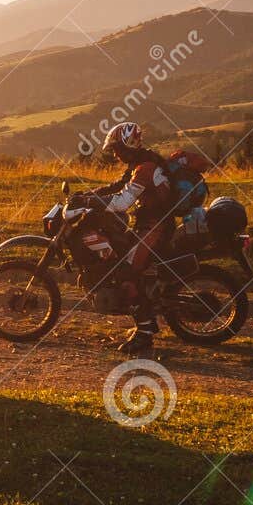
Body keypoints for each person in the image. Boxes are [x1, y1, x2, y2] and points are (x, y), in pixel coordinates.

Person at [86, 121, 175, 356]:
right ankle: (148, 318)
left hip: (156, 226)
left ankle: (144, 333)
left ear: (129, 144)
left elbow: (123, 202)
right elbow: (119, 185)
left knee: (126, 271)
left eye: (117, 148)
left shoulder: (145, 168)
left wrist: (91, 203)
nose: (115, 153)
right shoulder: (139, 163)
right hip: (147, 223)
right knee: (122, 256)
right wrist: (90, 194)